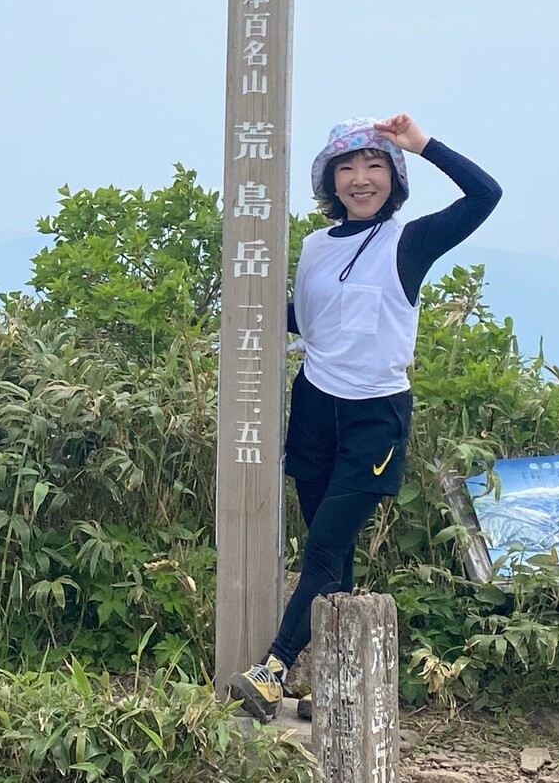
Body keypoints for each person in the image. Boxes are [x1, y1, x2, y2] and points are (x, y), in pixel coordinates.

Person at [227, 113, 502, 722]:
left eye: (374, 165)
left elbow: (486, 194)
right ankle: (334, 685)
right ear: (330, 180)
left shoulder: (410, 241)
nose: (359, 178)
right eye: (346, 167)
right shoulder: (315, 247)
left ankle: (272, 670)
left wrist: (421, 143)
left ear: (393, 178)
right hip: (314, 404)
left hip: (375, 415)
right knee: (335, 554)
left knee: (325, 544)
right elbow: (311, 321)